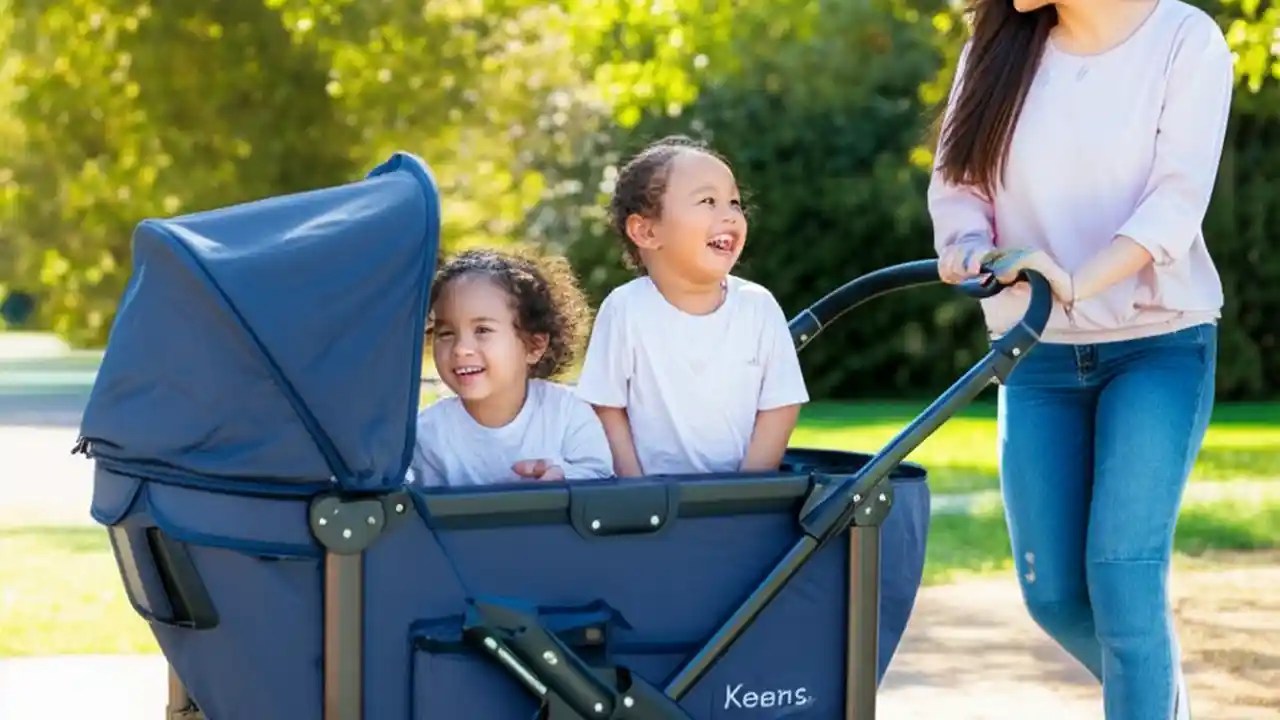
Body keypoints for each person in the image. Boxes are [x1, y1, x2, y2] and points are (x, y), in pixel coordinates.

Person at [928, 0, 1231, 717]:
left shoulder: (1185, 39)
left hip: (1157, 345)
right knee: (1055, 594)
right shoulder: (997, 45)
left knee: (1122, 578)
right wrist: (970, 250)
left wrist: (1075, 280)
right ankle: (1161, 701)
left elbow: (1174, 204)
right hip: (1036, 359)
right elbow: (960, 188)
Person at [575, 135, 810, 476]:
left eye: (734, 202)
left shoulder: (758, 308)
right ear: (646, 231)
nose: (730, 214)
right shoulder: (626, 310)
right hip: (654, 507)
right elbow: (606, 408)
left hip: (744, 503)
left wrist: (748, 489)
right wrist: (637, 489)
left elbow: (780, 405)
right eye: (708, 201)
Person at [408, 248, 614, 487]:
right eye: (446, 333)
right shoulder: (427, 434)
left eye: (482, 330)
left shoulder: (567, 413)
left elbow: (600, 476)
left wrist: (562, 478)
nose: (460, 349)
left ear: (534, 346)